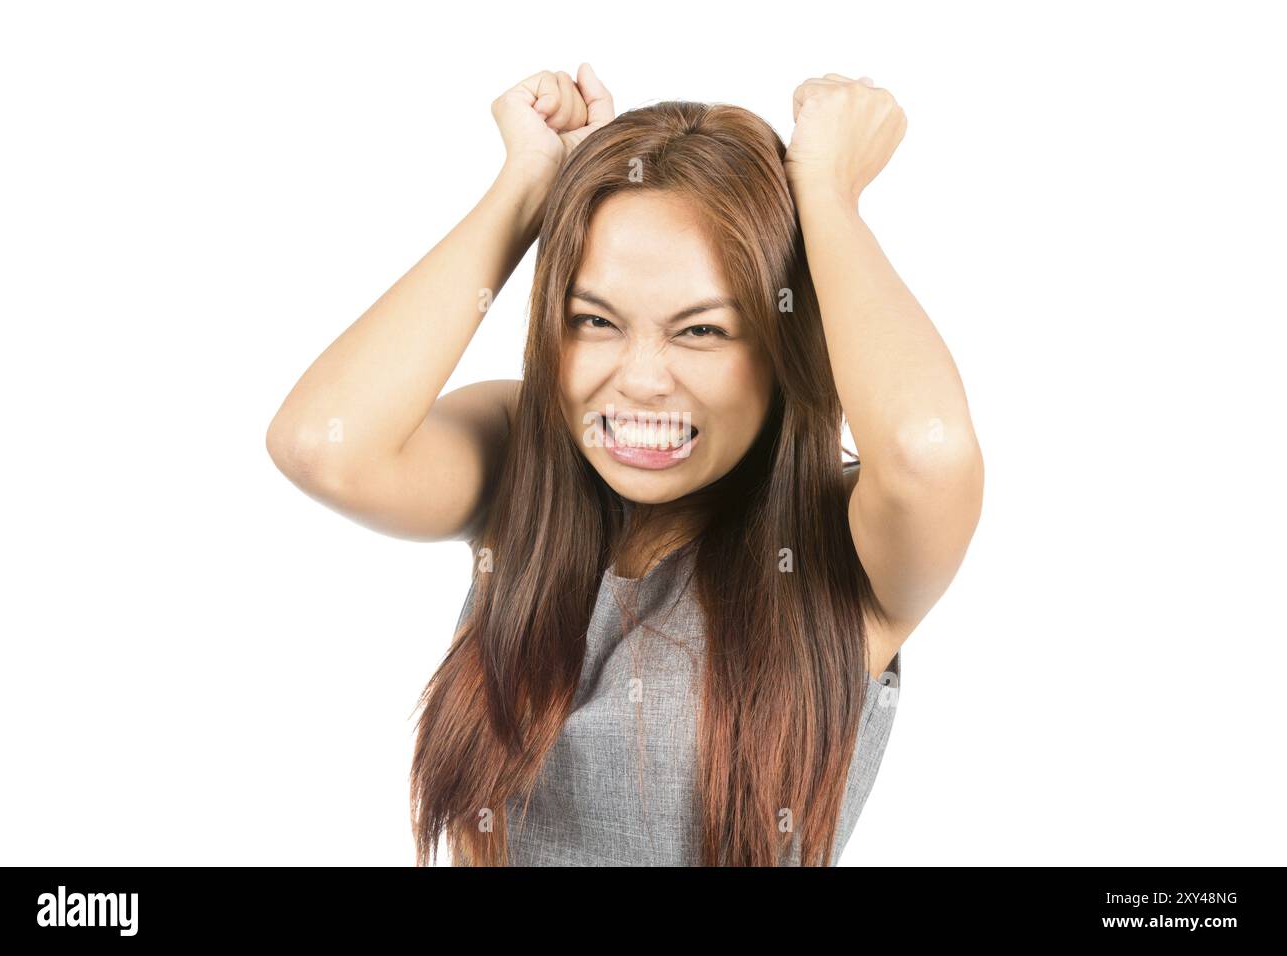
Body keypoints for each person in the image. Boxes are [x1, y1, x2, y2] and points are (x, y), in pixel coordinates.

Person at [266, 64, 984, 866]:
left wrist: (826, 197)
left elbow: (927, 448)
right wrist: (529, 190)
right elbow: (324, 443)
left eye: (702, 331)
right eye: (596, 320)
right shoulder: (524, 461)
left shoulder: (841, 551)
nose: (640, 379)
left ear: (784, 345)